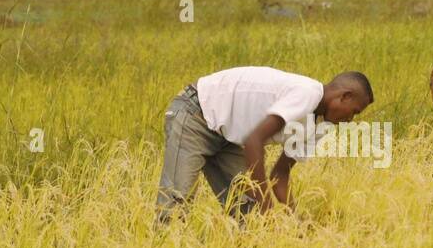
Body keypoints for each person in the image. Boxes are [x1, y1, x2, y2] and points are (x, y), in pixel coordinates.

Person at [156, 67, 373, 222]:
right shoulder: (307, 93)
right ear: (345, 96)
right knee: (174, 207)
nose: (351, 120)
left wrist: (293, 221)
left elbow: (280, 176)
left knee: (249, 215)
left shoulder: (321, 126)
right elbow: (254, 141)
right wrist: (267, 205)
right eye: (354, 111)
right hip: (197, 114)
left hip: (228, 137)